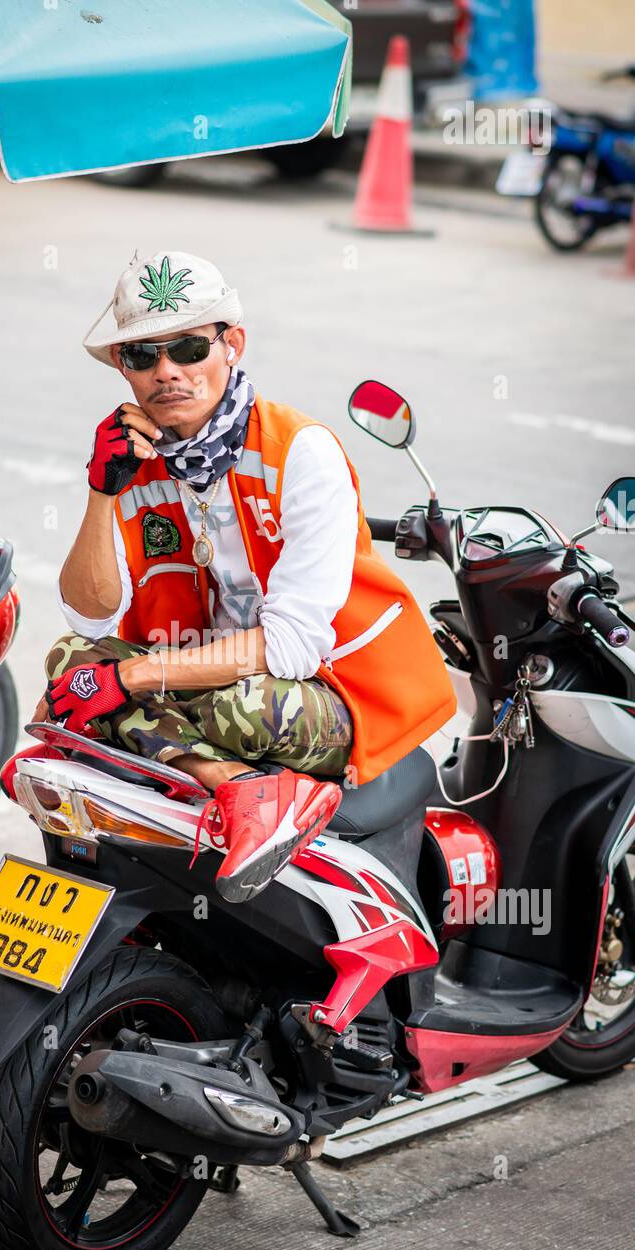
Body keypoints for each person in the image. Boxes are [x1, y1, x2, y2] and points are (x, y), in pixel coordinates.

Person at [36, 250, 456, 902]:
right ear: (123, 369)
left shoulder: (300, 450)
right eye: (142, 356)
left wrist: (131, 678)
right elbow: (89, 620)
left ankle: (213, 767)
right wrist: (100, 491)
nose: (167, 371)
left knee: (205, 698)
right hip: (200, 673)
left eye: (186, 347)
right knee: (68, 661)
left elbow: (290, 649)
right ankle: (236, 784)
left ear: (232, 344)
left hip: (322, 697)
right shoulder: (134, 459)